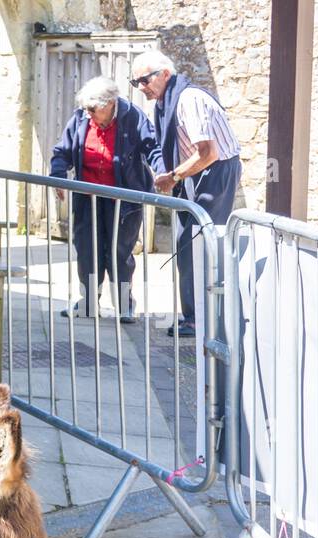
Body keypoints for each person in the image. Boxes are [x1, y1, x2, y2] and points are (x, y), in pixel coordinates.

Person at [131, 50, 242, 338]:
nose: (141, 88)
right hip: (197, 172)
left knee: (198, 243)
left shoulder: (188, 100)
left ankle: (203, 319)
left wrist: (174, 176)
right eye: (136, 83)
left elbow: (208, 153)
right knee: (186, 245)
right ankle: (194, 315)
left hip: (214, 170)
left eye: (144, 80)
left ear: (164, 74)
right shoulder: (166, 103)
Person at [49, 76, 162, 323]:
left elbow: (152, 147)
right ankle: (88, 302)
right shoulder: (81, 117)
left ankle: (124, 305)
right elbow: (62, 151)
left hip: (123, 198)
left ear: (110, 103)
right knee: (88, 250)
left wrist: (163, 173)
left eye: (93, 109)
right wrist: (58, 176)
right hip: (88, 197)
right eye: (86, 109)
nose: (88, 114)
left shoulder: (132, 116)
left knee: (119, 251)